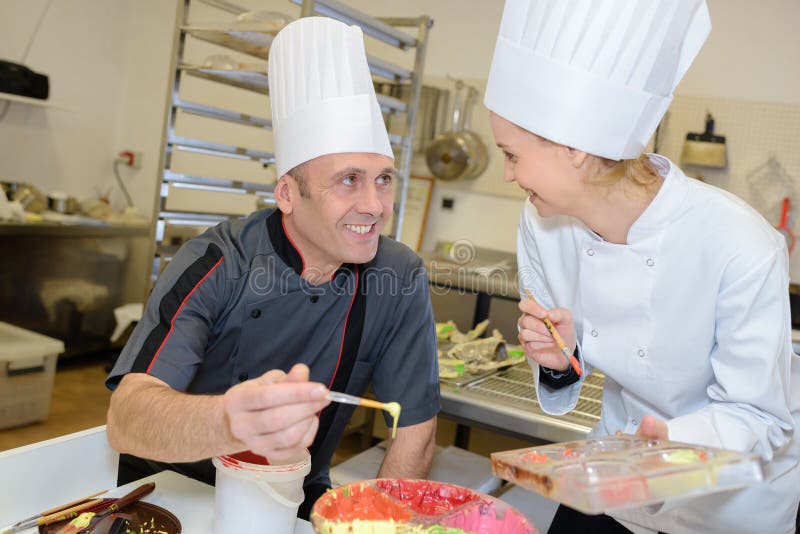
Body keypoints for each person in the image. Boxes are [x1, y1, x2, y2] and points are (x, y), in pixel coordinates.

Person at [484, 1, 800, 533]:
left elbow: (758, 416)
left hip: (726, 504)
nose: (508, 174)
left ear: (573, 148)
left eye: (512, 155)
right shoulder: (541, 222)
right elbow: (573, 362)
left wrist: (671, 444)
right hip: (616, 477)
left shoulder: (740, 243)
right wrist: (561, 360)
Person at [104, 16, 439, 519]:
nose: (375, 205)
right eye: (349, 180)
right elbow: (128, 417)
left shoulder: (399, 275)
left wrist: (380, 524)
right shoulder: (218, 261)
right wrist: (231, 420)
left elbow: (414, 427)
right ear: (287, 193)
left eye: (384, 179)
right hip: (171, 490)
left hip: (294, 495)